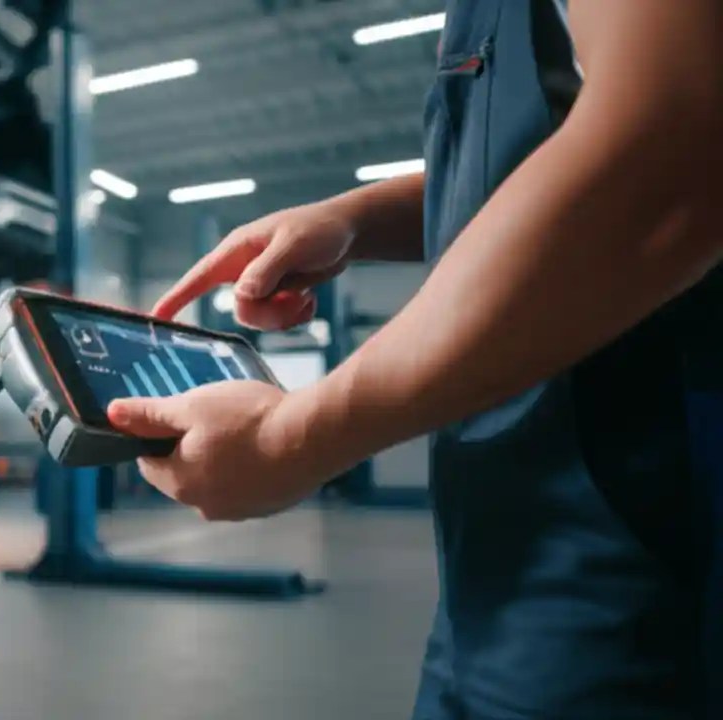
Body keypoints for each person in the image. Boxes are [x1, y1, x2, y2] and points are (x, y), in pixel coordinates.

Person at [106, 1, 722, 718]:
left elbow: (673, 149)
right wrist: (357, 219)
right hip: (494, 578)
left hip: (641, 559)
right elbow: (541, 158)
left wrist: (292, 437)